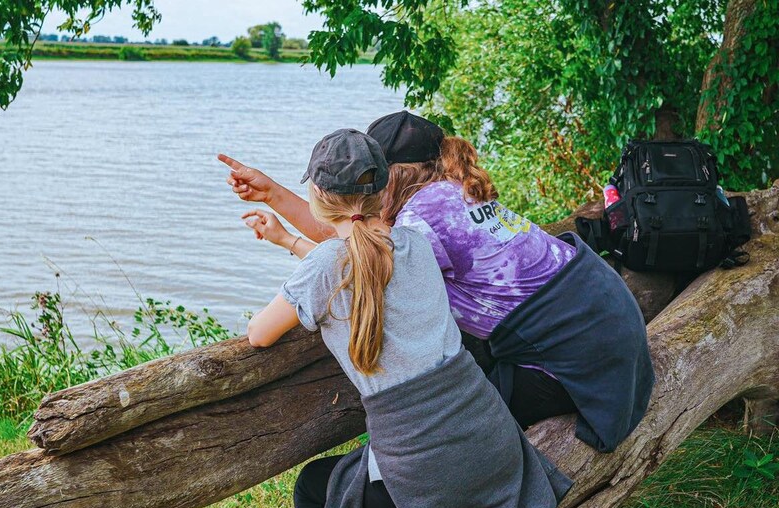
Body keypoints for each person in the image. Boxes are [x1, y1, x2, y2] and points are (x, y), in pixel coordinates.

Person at [219, 112, 653, 452]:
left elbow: (352, 252)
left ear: (391, 176)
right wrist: (274, 197)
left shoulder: (418, 220)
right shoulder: (456, 192)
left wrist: (282, 217)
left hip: (574, 359)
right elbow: (353, 238)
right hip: (610, 326)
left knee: (457, 421)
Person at [243, 128, 572, 508]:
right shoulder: (415, 244)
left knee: (313, 485)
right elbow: (361, 266)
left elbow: (259, 333)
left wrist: (293, 247)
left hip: (434, 478)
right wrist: (288, 240)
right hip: (495, 447)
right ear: (384, 192)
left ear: (318, 196)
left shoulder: (324, 268)